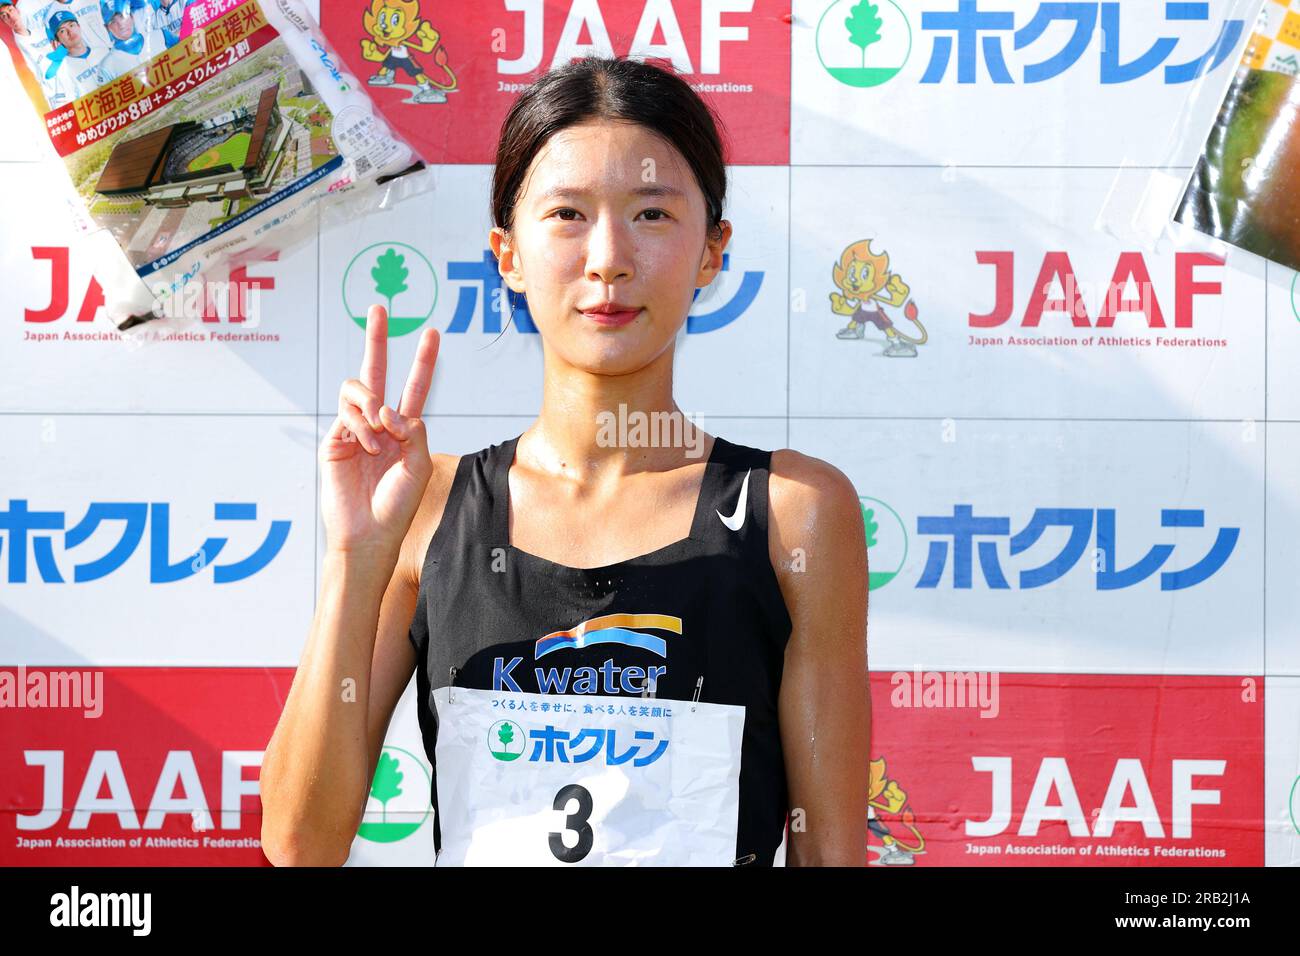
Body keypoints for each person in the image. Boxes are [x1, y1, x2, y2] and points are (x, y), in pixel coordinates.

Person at [260, 56, 871, 867]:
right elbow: (300, 840)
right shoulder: (428, 508)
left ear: (712, 251)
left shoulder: (794, 511)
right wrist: (356, 558)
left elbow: (829, 852)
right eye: (567, 215)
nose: (608, 257)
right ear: (506, 254)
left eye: (652, 214)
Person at [41, 9, 105, 106]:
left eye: (71, 25)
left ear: (79, 26)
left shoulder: (103, 51)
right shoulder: (63, 71)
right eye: (62, 31)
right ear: (58, 40)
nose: (70, 32)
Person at [95, 0, 164, 81]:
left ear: (131, 16)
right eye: (113, 21)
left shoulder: (161, 36)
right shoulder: (106, 66)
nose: (121, 24)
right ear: (107, 28)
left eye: (122, 16)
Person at [0, 0, 54, 76]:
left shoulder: (39, 31)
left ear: (17, 10)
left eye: (10, 10)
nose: (11, 16)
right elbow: (46, 73)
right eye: (4, 16)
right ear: (4, 22)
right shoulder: (16, 49)